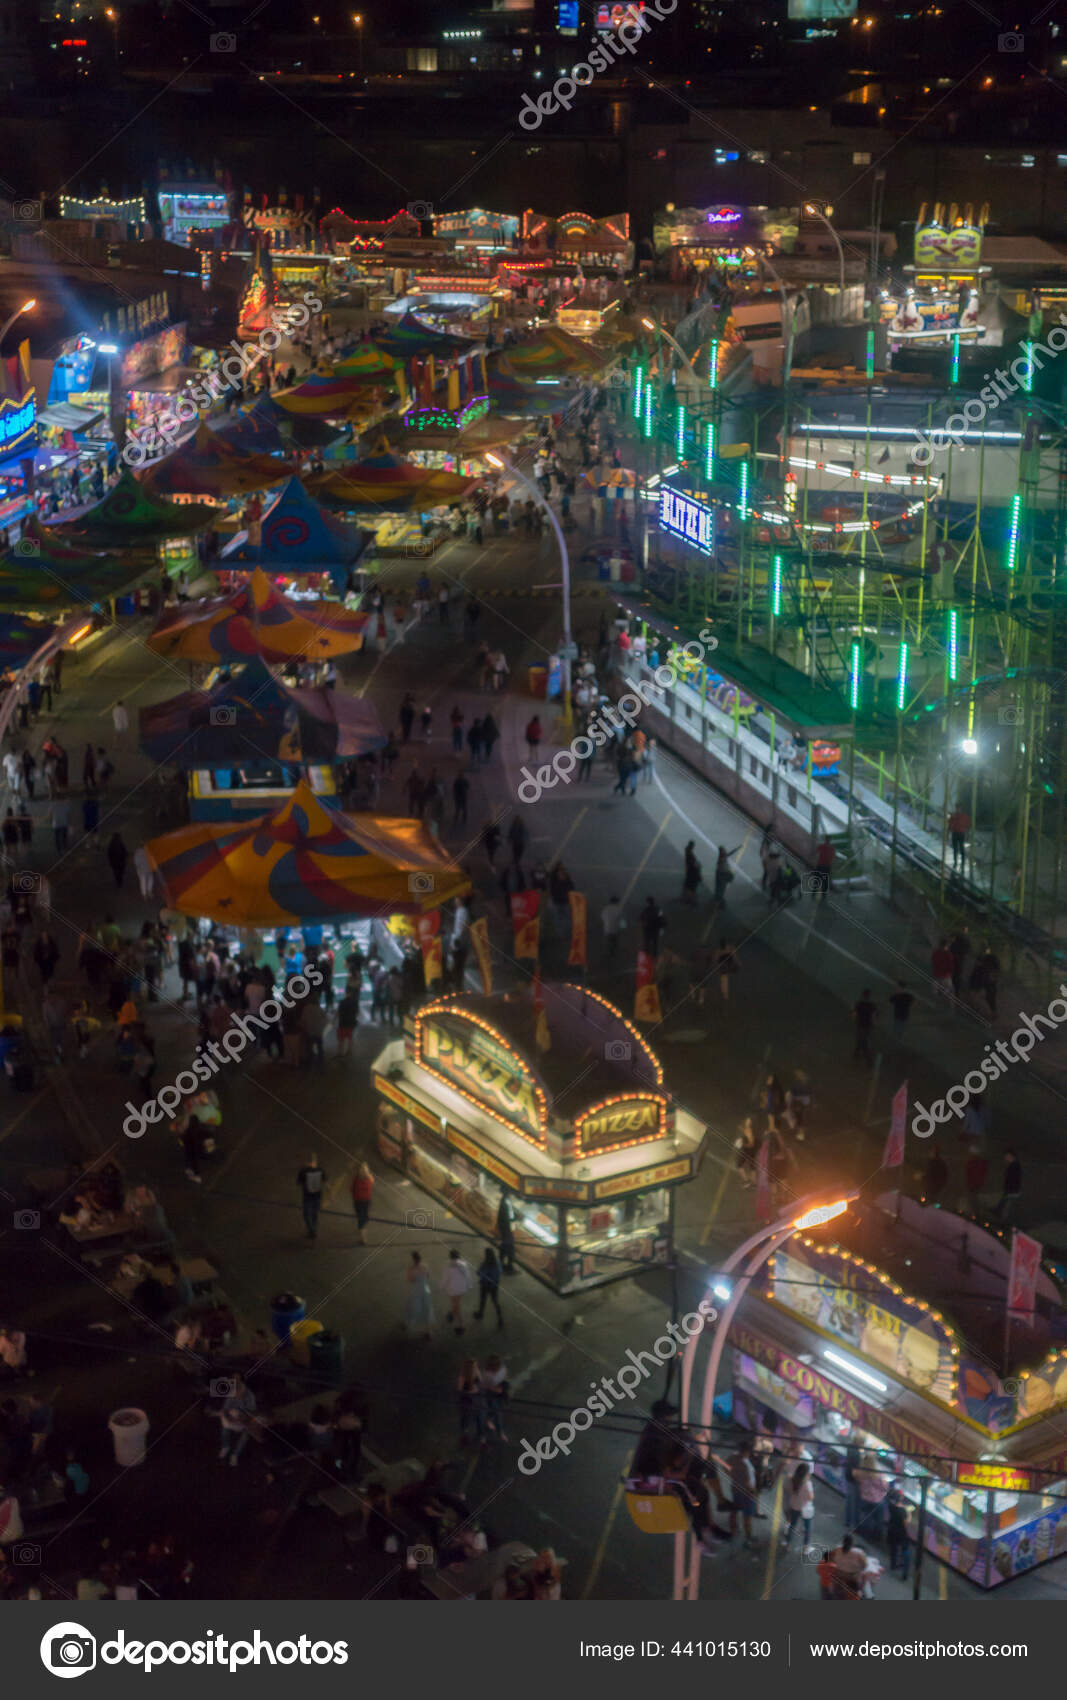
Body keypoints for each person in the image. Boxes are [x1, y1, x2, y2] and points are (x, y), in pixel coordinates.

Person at [217, 1375, 256, 1467]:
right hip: (231, 1419)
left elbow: (252, 1413)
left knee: (246, 1435)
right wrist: (228, 1417)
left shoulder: (250, 1396)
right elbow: (225, 1409)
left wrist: (242, 1418)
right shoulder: (231, 1393)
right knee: (224, 1429)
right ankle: (225, 1447)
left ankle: (235, 1454)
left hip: (244, 1421)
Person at [728, 1439, 758, 1548]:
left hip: (736, 1490)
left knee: (734, 1510)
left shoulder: (733, 1456)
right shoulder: (745, 1465)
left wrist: (734, 1477)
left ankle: (733, 1531)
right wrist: (754, 1491)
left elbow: (726, 1467)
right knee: (747, 1519)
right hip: (747, 1494)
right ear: (747, 1451)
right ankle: (748, 1539)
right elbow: (747, 1482)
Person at [782, 1461, 815, 1551]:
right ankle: (806, 1547)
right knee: (808, 1528)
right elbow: (811, 1497)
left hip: (794, 1506)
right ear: (807, 1473)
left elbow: (788, 1490)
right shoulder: (807, 1484)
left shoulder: (792, 1479)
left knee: (792, 1525)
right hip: (805, 1509)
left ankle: (787, 1544)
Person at [441, 1247, 473, 1335]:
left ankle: (460, 1325)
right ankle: (451, 1314)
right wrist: (469, 1285)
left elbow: (445, 1278)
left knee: (456, 1306)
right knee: (456, 1304)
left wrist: (442, 1286)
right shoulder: (463, 1264)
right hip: (461, 1289)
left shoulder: (447, 1266)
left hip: (452, 1289)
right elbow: (468, 1276)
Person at [829, 1532, 870, 1599]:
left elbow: (830, 1559)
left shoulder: (836, 1550)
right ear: (852, 1543)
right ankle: (863, 1593)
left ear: (843, 1542)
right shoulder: (859, 1554)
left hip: (838, 1576)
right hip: (852, 1579)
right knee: (865, 1575)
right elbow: (865, 1565)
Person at [297, 1153, 327, 1240]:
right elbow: (326, 1182)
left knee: (306, 1215)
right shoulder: (320, 1170)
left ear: (307, 1162)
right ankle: (314, 1230)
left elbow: (299, 1183)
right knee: (314, 1215)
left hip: (307, 1196)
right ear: (315, 1161)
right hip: (317, 1196)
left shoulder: (303, 1171)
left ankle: (312, 1230)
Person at [405, 1250, 434, 1339]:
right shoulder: (425, 1266)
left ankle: (410, 1323)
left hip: (416, 1290)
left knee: (414, 1307)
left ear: (413, 1259)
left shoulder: (411, 1269)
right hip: (425, 1289)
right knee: (427, 1309)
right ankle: (428, 1331)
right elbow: (428, 1276)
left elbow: (410, 1280)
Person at [457, 1359, 486, 1445]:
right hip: (467, 1399)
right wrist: (471, 1391)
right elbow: (459, 1390)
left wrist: (478, 1388)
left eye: (476, 1365)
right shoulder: (462, 1376)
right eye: (474, 1366)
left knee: (480, 1417)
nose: (476, 1367)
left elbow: (481, 1383)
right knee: (466, 1417)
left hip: (477, 1399)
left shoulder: (476, 1372)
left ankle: (481, 1439)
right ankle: (465, 1436)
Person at [474, 1246, 503, 1326]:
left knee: (483, 1300)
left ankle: (480, 1314)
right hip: (494, 1285)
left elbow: (478, 1273)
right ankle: (500, 1318)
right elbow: (500, 1272)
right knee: (495, 1301)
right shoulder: (497, 1263)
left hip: (485, 1285)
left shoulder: (484, 1264)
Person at [886, 1483, 910, 1580]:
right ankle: (905, 1571)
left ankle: (893, 1564)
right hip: (901, 1533)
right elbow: (906, 1522)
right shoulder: (902, 1511)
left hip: (891, 1530)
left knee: (893, 1548)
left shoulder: (891, 1505)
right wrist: (909, 1514)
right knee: (905, 1551)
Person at [996, 1150, 1023, 1222]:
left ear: (1010, 1156)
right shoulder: (1013, 1165)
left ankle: (1003, 1222)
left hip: (1012, 1191)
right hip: (1011, 1190)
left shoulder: (1014, 1166)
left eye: (1006, 1156)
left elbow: (1013, 1180)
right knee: (1006, 1206)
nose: (1005, 1158)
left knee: (1007, 1208)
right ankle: (1002, 1219)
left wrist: (1009, 1191)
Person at [852, 987, 877, 1062]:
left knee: (859, 1038)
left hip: (860, 1023)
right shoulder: (872, 1005)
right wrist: (874, 1023)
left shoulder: (858, 1003)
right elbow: (873, 1016)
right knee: (865, 1040)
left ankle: (857, 1053)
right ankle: (867, 1058)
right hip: (867, 1024)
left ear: (863, 995)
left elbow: (854, 1014)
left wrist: (855, 1020)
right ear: (869, 996)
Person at [351, 1161, 374, 1243]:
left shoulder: (356, 1179)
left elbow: (352, 1189)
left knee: (360, 1218)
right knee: (364, 1217)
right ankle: (362, 1227)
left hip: (358, 1201)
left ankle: (363, 1238)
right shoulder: (369, 1178)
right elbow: (372, 1183)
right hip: (367, 1201)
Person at [496, 1189, 516, 1273]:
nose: (511, 1194)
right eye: (510, 1192)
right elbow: (505, 1217)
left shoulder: (507, 1201)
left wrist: (515, 1217)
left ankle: (503, 1263)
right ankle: (509, 1266)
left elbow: (510, 1213)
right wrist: (513, 1220)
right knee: (510, 1246)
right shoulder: (504, 1202)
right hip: (506, 1228)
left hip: (506, 1227)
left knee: (506, 1246)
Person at [600, 894, 624, 959]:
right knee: (615, 943)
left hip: (607, 929)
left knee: (607, 942)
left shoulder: (605, 909)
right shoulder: (618, 909)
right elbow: (621, 920)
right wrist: (623, 928)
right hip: (615, 930)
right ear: (616, 901)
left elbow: (602, 918)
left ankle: (607, 954)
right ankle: (613, 954)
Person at [681, 840, 702, 906]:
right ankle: (691, 900)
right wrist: (698, 866)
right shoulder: (689, 854)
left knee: (688, 886)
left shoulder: (688, 851)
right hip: (692, 872)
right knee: (692, 887)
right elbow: (692, 863)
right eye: (693, 846)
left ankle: (687, 898)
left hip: (690, 871)